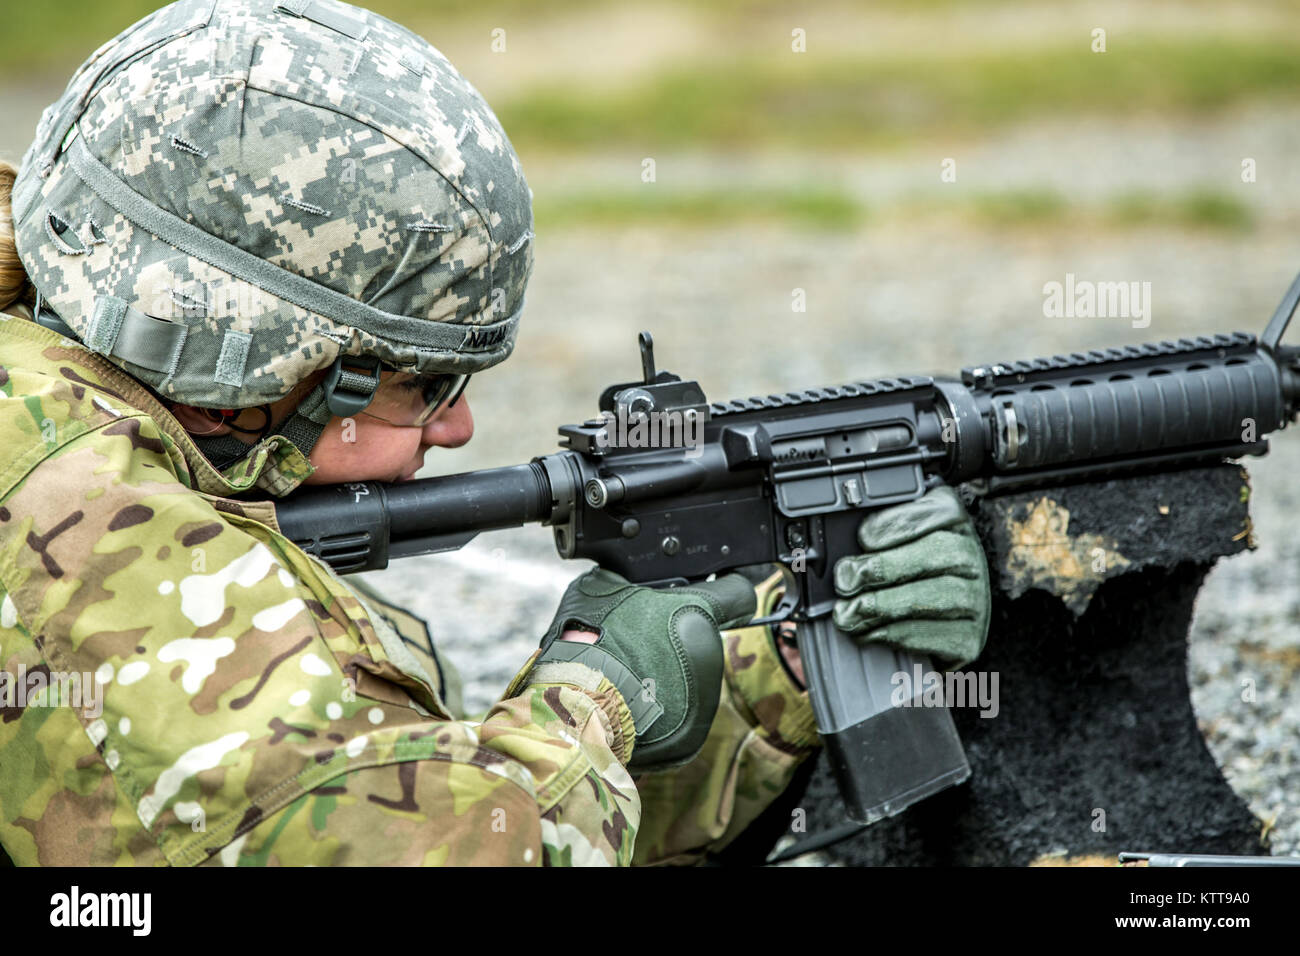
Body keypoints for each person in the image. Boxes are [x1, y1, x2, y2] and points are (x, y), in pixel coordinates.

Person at [0, 0, 990, 866]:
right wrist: (595, 692)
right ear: (250, 364)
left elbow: (368, 789)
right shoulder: (100, 542)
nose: (461, 426)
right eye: (422, 385)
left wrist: (786, 666)